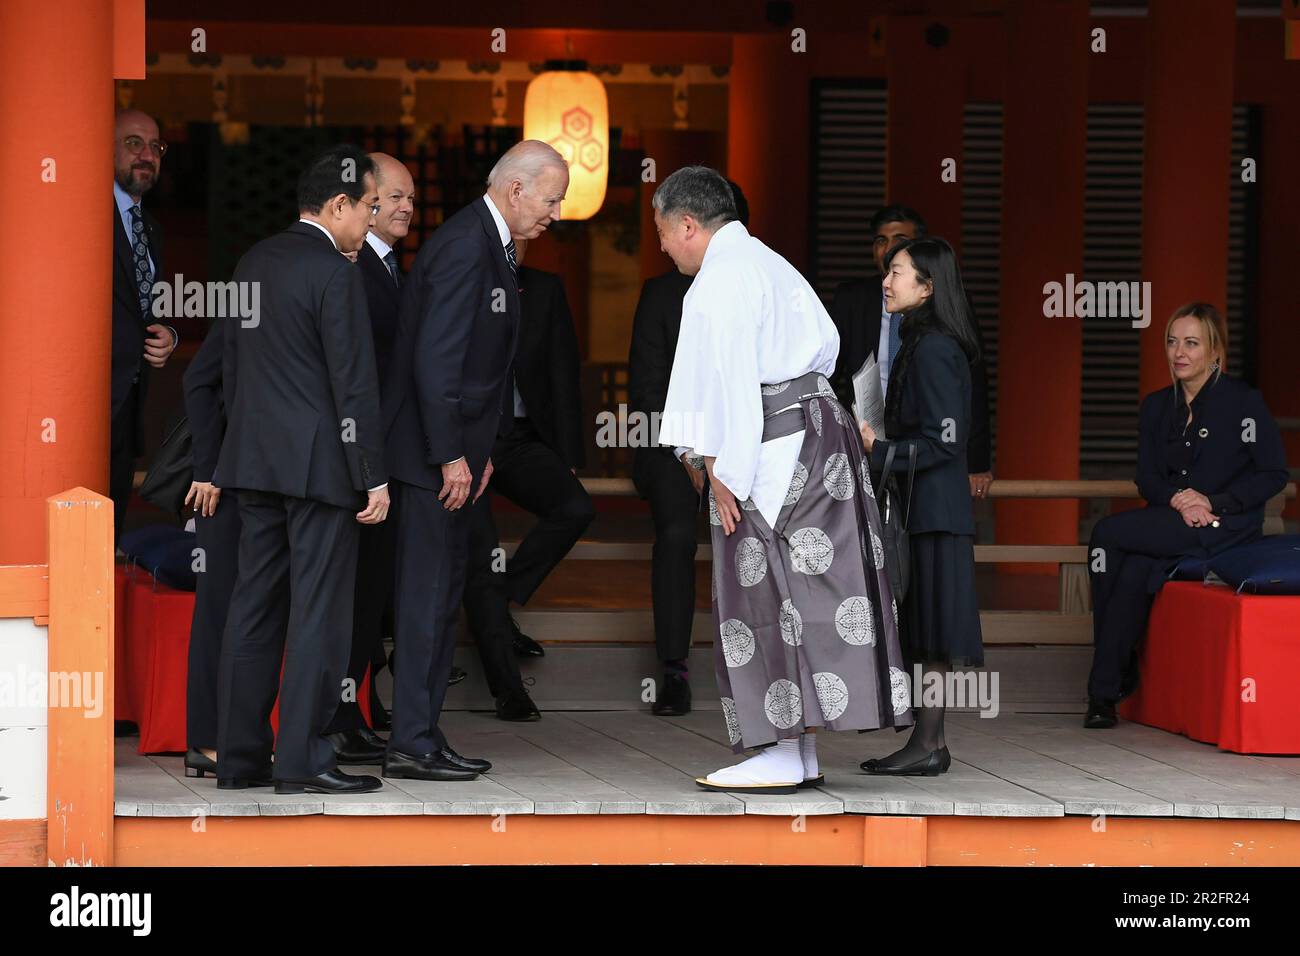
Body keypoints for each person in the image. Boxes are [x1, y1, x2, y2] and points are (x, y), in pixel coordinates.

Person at [655, 166, 912, 794]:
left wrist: (722, 468)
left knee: (771, 594)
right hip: (816, 431)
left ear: (688, 225)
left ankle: (782, 748)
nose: (662, 246)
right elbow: (823, 357)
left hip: (773, 445)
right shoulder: (766, 261)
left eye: (663, 232)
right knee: (801, 592)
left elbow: (736, 381)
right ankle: (798, 752)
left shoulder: (723, 279)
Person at [382, 140, 568, 781]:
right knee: (426, 601)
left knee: (438, 599)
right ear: (515, 190)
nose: (555, 214)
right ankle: (411, 741)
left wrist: (476, 453)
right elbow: (438, 362)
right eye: (551, 200)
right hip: (432, 462)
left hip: (455, 457)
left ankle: (421, 735)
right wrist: (451, 456)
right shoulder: (467, 245)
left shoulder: (490, 243)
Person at [214, 144, 389, 794]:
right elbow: (354, 382)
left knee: (254, 606)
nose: (370, 222)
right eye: (369, 207)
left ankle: (239, 758)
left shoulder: (251, 261)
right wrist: (372, 474)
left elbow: (231, 372)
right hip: (320, 471)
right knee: (319, 612)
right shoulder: (337, 273)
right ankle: (304, 760)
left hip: (255, 463)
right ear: (339, 203)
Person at [1084, 303, 1287, 728]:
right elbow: (1146, 479)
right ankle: (1107, 689)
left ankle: (1109, 679)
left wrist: (1214, 502)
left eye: (1192, 343)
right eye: (1173, 342)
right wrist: (1180, 498)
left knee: (1105, 533)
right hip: (1170, 522)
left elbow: (1273, 473)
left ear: (1215, 350)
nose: (1179, 352)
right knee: (1134, 569)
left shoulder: (1243, 402)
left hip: (1223, 526)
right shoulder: (1157, 406)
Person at [858, 237, 983, 776]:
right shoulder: (920, 339)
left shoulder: (934, 348)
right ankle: (926, 740)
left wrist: (877, 449)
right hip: (923, 507)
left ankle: (929, 742)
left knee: (932, 633)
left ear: (928, 286)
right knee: (924, 629)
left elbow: (945, 442)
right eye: (888, 271)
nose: (887, 281)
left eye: (899, 272)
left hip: (936, 512)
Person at [628, 181, 749, 718]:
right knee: (678, 533)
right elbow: (648, 388)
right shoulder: (662, 293)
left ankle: (758, 664)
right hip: (668, 444)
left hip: (740, 440)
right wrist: (692, 454)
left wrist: (727, 453)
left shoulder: (752, 286)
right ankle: (673, 669)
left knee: (755, 532)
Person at [462, 235, 593, 721]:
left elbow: (563, 372)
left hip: (520, 437)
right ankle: (509, 691)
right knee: (479, 559)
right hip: (466, 443)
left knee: (576, 507)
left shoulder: (544, 289)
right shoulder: (457, 285)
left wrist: (567, 452)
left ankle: (505, 591)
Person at [321, 152, 414, 761]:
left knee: (373, 591)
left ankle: (356, 707)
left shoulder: (391, 268)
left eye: (412, 197)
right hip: (355, 461)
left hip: (388, 460)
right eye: (394, 196)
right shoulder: (347, 270)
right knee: (348, 596)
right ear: (364, 202)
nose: (405, 206)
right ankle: (337, 715)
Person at [828, 204, 993, 499]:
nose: (888, 248)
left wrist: (977, 460)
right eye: (880, 240)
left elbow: (973, 381)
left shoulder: (941, 327)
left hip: (925, 449)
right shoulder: (851, 299)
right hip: (866, 443)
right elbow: (830, 374)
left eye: (900, 241)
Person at [111, 109, 178, 543]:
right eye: (134, 143)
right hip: (77, 404)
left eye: (155, 147)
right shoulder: (80, 218)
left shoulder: (150, 228)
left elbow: (145, 308)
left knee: (105, 537)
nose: (147, 155)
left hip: (127, 407)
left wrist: (167, 334)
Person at [180, 317, 236, 779]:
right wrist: (206, 468)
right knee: (217, 608)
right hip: (224, 487)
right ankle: (205, 739)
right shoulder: (250, 298)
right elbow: (198, 379)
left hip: (273, 484)